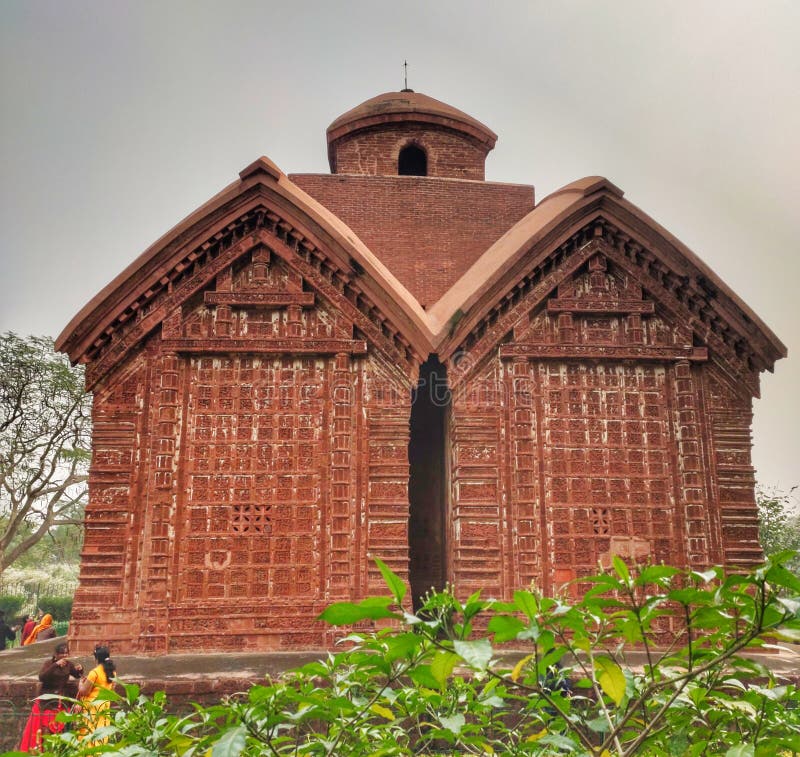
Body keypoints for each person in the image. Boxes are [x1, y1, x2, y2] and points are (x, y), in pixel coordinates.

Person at [18, 642, 84, 752]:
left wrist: (80, 669)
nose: (64, 656)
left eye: (66, 653)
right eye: (62, 653)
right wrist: (56, 665)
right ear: (56, 654)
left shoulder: (68, 664)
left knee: (60, 726)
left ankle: (58, 749)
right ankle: (41, 750)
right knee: (44, 726)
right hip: (47, 699)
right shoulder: (49, 663)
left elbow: (76, 675)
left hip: (60, 698)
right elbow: (42, 677)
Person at [77, 644, 116, 741]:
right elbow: (112, 689)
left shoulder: (94, 672)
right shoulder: (112, 672)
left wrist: (80, 683)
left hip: (92, 708)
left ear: (96, 658)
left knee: (90, 734)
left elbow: (84, 691)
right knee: (101, 734)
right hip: (104, 706)